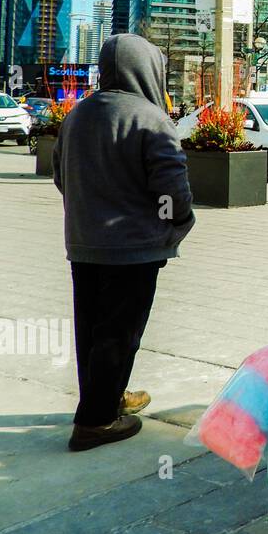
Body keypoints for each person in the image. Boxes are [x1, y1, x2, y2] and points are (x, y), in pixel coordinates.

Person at [53, 34, 195, 452]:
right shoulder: (151, 118)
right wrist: (176, 224)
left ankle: (105, 397)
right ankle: (97, 422)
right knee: (119, 333)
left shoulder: (77, 116)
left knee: (92, 329)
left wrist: (91, 212)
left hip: (84, 244)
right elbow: (172, 190)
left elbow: (61, 176)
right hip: (133, 249)